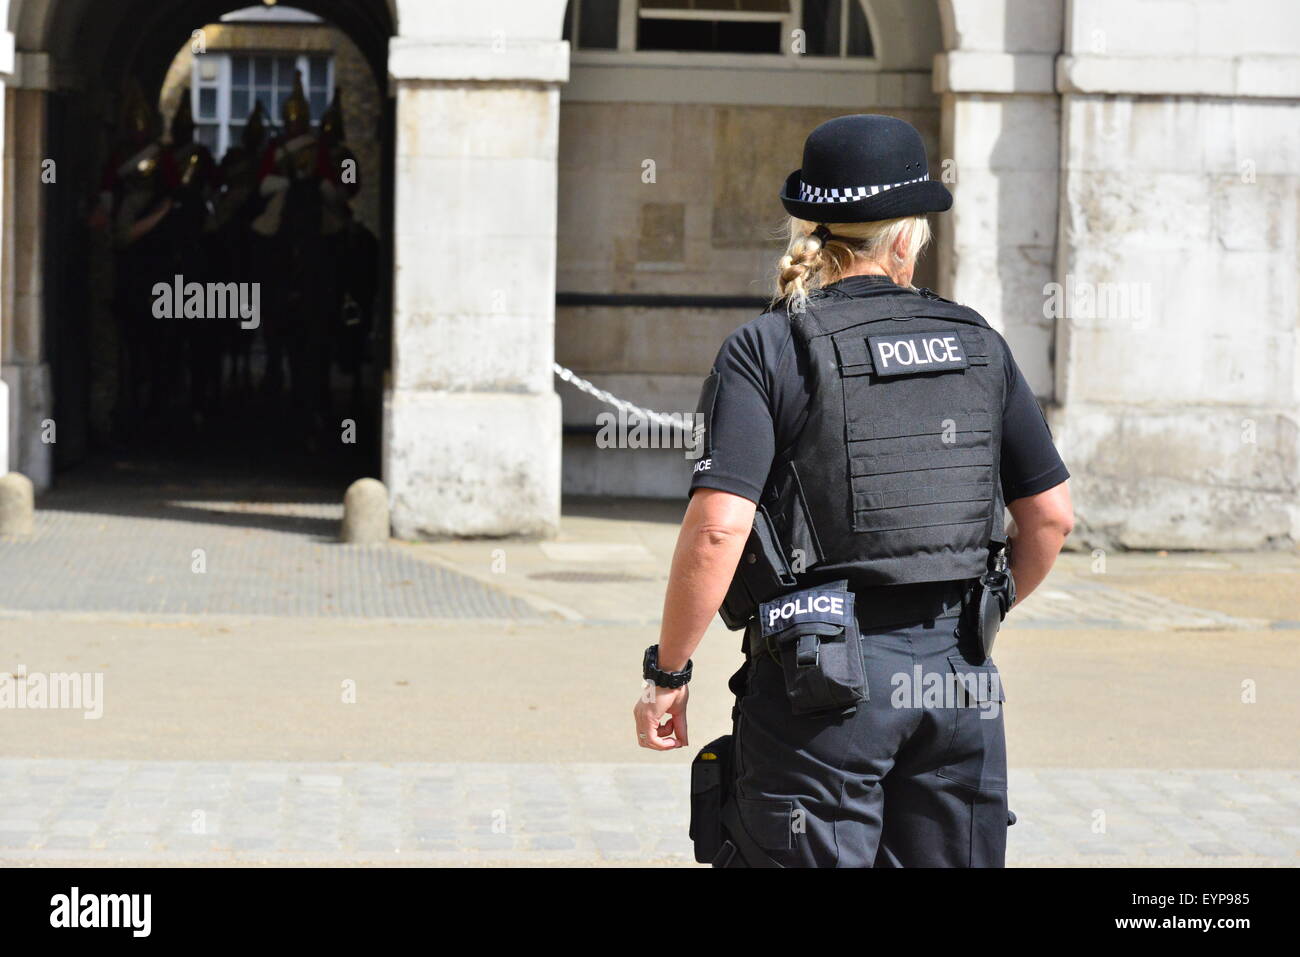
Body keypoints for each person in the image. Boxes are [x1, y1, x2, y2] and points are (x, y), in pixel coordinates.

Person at [632, 114, 1074, 868]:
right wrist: (971, 623)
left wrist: (669, 670)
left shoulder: (769, 346)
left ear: (810, 224)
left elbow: (717, 529)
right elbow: (1052, 518)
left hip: (821, 686)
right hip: (959, 684)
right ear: (907, 237)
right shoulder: (978, 341)